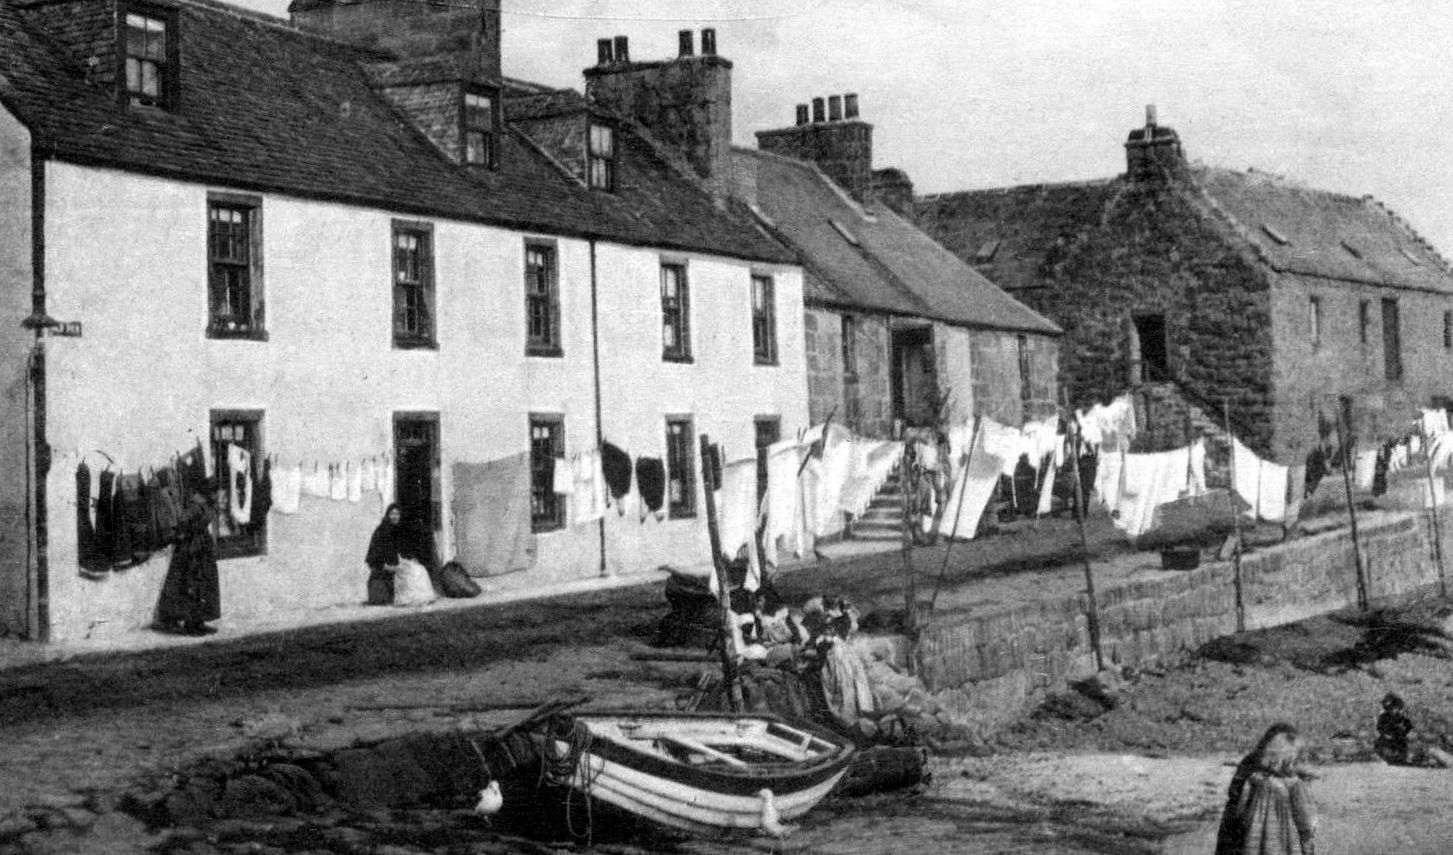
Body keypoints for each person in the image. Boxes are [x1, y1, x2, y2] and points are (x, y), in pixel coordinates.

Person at [1214, 722, 1317, 855]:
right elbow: (1305, 817)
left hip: (1250, 837)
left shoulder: (1253, 775)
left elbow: (1237, 800)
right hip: (1284, 840)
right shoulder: (1294, 783)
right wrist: (1307, 840)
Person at [154, 488, 222, 635]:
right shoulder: (196, 505)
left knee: (203, 586)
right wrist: (189, 536)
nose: (218, 495)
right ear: (210, 492)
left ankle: (199, 621)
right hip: (191, 550)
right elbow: (183, 521)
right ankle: (190, 624)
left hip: (202, 548)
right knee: (192, 585)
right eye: (216, 492)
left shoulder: (208, 505)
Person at [364, 504, 406, 605]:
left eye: (397, 514)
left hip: (392, 572)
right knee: (382, 600)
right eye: (392, 514)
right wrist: (385, 566)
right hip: (380, 573)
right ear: (388, 515)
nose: (395, 516)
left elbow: (402, 551)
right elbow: (374, 555)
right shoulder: (381, 531)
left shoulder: (398, 531)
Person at [1374, 692, 1414, 765]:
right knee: (1383, 746)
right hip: (1387, 741)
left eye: (1396, 708)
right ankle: (1386, 757)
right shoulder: (1383, 717)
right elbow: (1380, 728)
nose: (1394, 710)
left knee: (1403, 747)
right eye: (1392, 708)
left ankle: (1401, 757)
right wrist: (1386, 734)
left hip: (1399, 741)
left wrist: (1404, 732)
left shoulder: (1402, 718)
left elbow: (1409, 727)